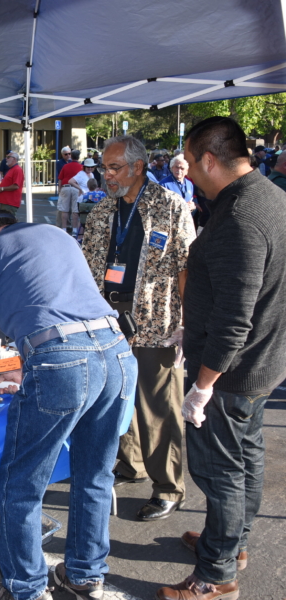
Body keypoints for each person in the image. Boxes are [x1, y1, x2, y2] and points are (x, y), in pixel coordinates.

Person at [0, 210, 136, 600]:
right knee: (94, 474)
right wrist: (18, 366)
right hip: (117, 352)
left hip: (63, 362)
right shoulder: (56, 235)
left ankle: (25, 588)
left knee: (21, 484)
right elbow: (60, 314)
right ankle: (85, 576)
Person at [157, 117, 286, 600]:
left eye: (191, 163)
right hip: (261, 360)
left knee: (221, 472)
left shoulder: (240, 218)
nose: (187, 172)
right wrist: (191, 324)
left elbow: (235, 318)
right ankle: (230, 544)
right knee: (245, 458)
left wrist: (203, 386)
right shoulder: (268, 196)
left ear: (210, 160)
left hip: (233, 372)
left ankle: (216, 574)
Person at [82, 135, 195, 522]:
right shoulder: (103, 209)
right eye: (104, 168)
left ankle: (168, 488)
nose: (107, 175)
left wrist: (187, 324)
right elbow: (87, 262)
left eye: (114, 168)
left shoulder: (170, 207)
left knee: (158, 405)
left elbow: (187, 268)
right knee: (117, 395)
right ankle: (131, 464)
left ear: (138, 167)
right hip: (108, 317)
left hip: (155, 320)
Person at [56, 151, 84, 234]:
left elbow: (60, 179)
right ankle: (74, 229)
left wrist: (59, 189)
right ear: (78, 157)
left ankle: (64, 228)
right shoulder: (81, 167)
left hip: (65, 187)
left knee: (65, 210)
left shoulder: (65, 166)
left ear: (71, 156)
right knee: (75, 210)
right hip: (76, 188)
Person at [0, 151, 24, 217]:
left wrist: (2, 188)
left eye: (8, 157)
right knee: (4, 220)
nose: (6, 159)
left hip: (10, 203)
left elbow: (16, 186)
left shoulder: (17, 169)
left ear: (14, 159)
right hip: (6, 202)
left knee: (7, 220)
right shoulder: (11, 169)